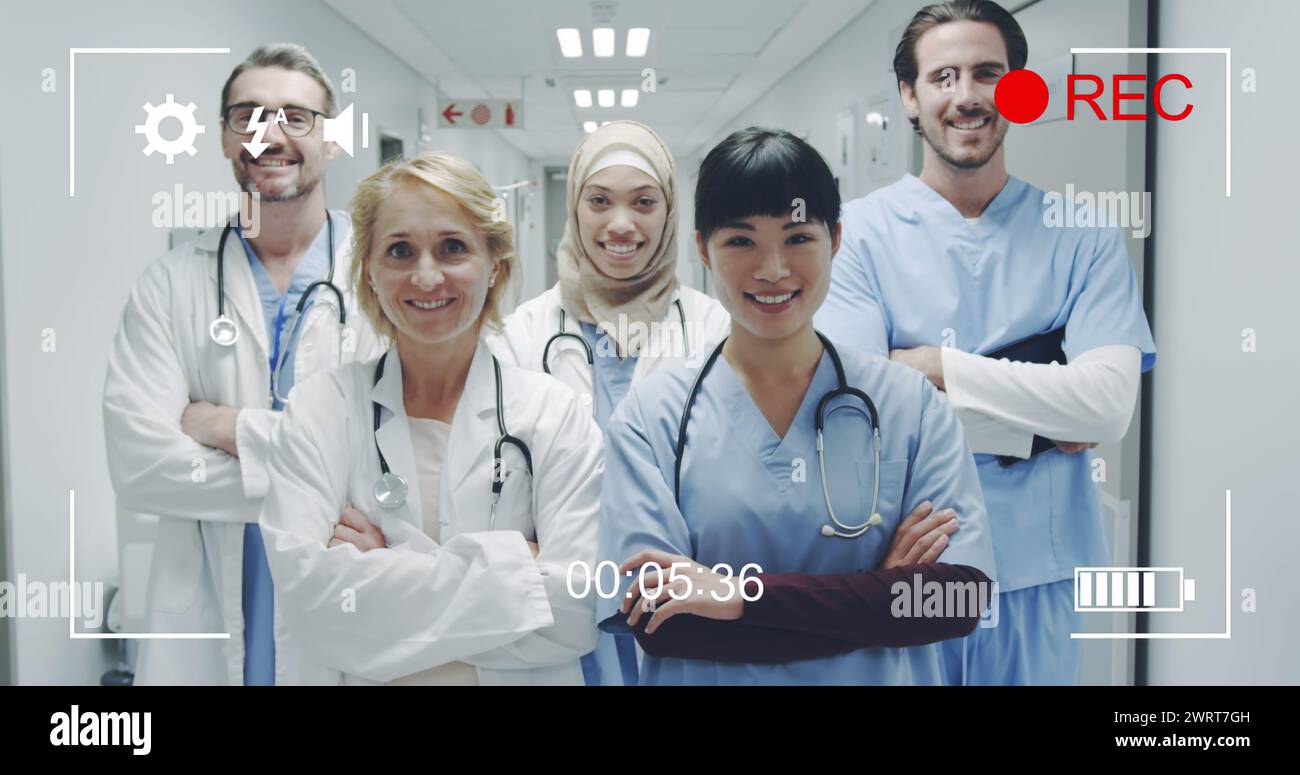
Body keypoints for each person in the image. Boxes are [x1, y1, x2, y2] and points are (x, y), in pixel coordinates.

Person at [816, 0, 1156, 684]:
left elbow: (1107, 408)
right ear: (910, 98)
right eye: (943, 77)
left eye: (988, 73)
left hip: (1041, 575)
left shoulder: (1082, 235)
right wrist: (1040, 414)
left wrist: (934, 366)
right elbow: (859, 418)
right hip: (909, 565)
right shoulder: (854, 237)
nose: (966, 96)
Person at [596, 127, 996, 685]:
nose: (773, 269)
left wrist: (736, 596)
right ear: (702, 249)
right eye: (741, 241)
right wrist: (872, 595)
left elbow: (955, 600)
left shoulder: (910, 406)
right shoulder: (653, 419)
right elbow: (662, 621)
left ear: (835, 238)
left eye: (797, 237)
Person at [260, 151, 602, 685]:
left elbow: (578, 611)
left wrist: (381, 569)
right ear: (369, 273)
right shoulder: (319, 411)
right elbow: (313, 609)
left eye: (453, 248)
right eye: (399, 250)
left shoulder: (554, 416)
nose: (425, 276)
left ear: (496, 266)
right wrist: (517, 568)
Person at [102, 43, 381, 685]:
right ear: (225, 138)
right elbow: (141, 468)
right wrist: (320, 480)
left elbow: (395, 457)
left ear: (331, 140)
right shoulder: (169, 285)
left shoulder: (382, 278)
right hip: (210, 610)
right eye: (247, 116)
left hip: (351, 602)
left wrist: (229, 429)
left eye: (295, 117)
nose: (269, 135)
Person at [488, 120, 729, 685]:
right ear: (575, 208)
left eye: (644, 202)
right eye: (600, 201)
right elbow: (492, 479)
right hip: (557, 605)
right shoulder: (520, 333)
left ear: (670, 213)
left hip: (679, 596)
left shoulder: (714, 327)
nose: (622, 224)